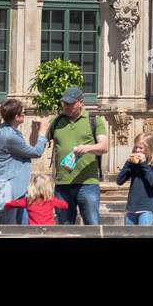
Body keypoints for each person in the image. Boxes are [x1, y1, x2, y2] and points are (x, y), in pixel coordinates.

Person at [0, 98, 49, 224]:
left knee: (23, 227)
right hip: (9, 190)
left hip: (17, 189)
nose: (25, 115)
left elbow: (28, 149)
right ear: (17, 117)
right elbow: (36, 152)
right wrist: (43, 132)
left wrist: (35, 131)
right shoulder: (9, 136)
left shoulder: (8, 130)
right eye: (23, 113)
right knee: (8, 229)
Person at [48, 86, 108, 225]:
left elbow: (104, 147)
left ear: (81, 102)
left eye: (71, 103)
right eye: (65, 103)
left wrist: (88, 148)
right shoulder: (56, 122)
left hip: (88, 184)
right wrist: (36, 130)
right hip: (62, 184)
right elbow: (36, 145)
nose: (67, 106)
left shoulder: (94, 120)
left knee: (92, 227)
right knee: (64, 228)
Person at [117, 132, 153, 226]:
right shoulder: (133, 163)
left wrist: (143, 163)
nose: (137, 150)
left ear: (149, 148)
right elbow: (119, 180)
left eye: (141, 148)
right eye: (136, 147)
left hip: (146, 208)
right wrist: (128, 163)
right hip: (131, 208)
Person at [4, 173, 68, 227]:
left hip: (34, 230)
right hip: (49, 230)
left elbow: (13, 204)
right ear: (48, 188)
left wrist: (6, 205)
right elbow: (65, 205)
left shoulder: (28, 201)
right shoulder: (51, 200)